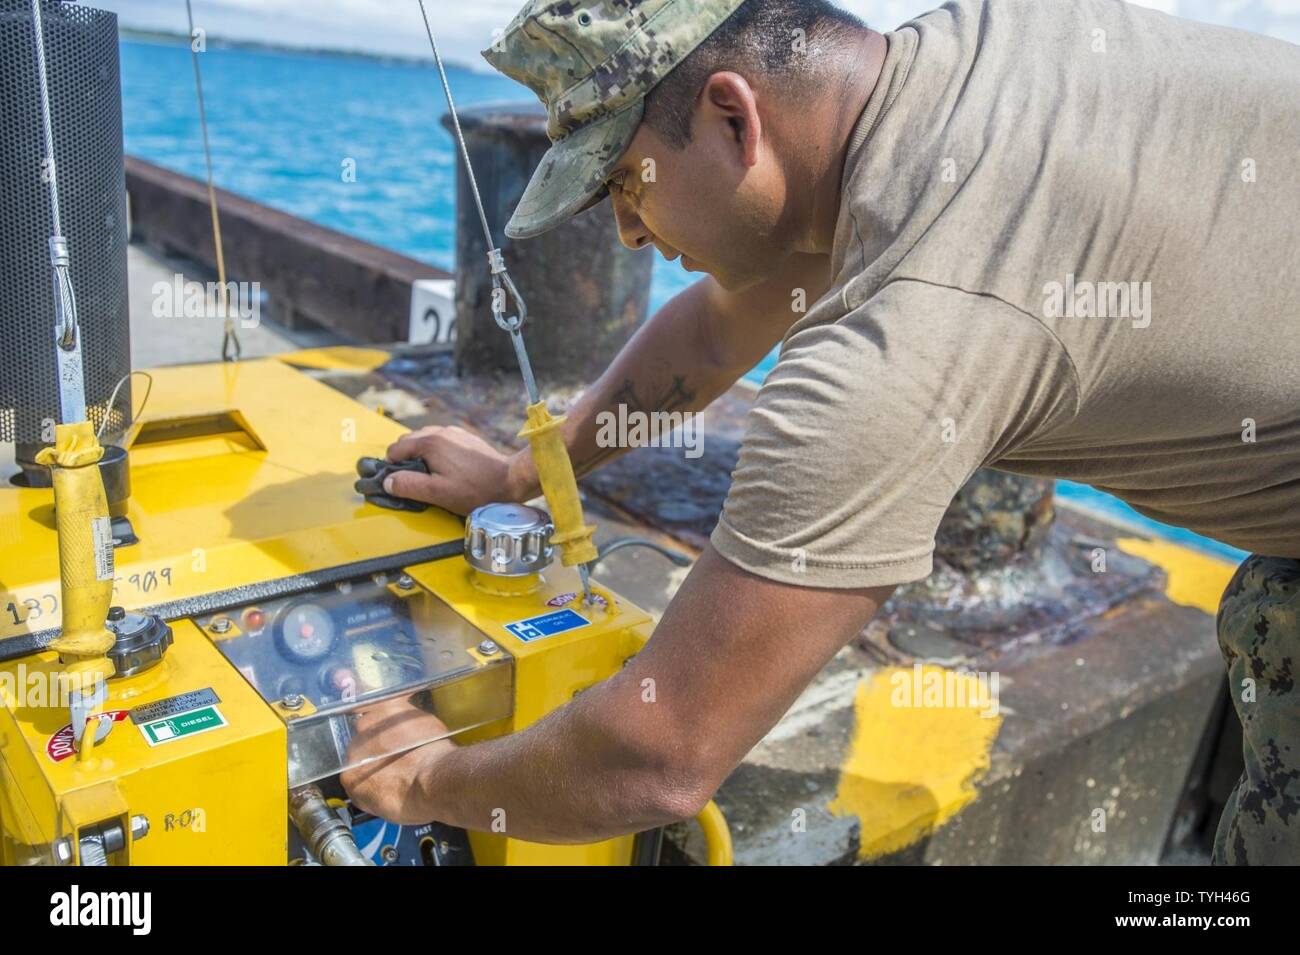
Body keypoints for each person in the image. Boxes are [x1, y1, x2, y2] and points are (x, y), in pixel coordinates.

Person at [342, 0, 1300, 863]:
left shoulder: (902, 333)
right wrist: (525, 473)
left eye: (628, 186)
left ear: (732, 115)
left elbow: (658, 755)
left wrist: (424, 779)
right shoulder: (963, 63)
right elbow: (721, 325)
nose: (630, 235)